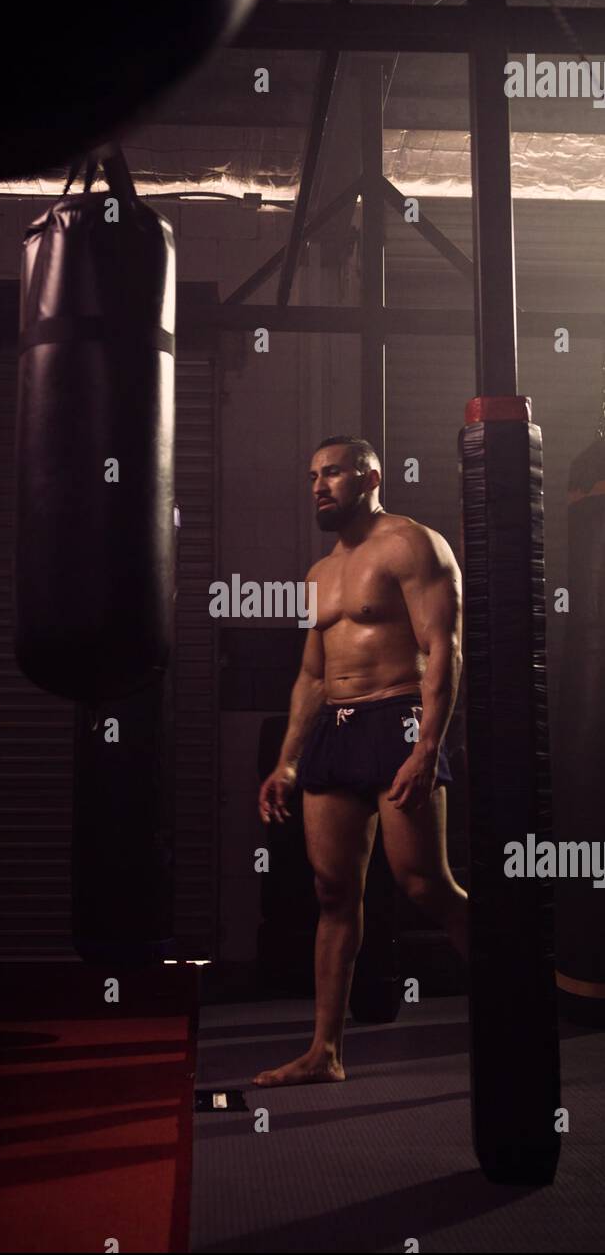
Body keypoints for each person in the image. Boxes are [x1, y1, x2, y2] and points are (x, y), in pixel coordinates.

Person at [255, 435, 468, 1088]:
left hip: (398, 716)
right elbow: (310, 676)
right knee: (331, 892)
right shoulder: (319, 573)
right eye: (312, 475)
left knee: (422, 882)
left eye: (332, 473)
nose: (318, 486)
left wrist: (426, 745)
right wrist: (287, 762)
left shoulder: (410, 544)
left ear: (369, 474)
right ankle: (324, 1052)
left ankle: (514, 1002)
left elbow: (443, 650)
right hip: (336, 728)